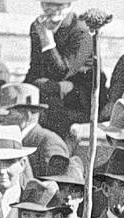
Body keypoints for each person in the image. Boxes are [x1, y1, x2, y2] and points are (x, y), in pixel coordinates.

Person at [27, 0, 103, 136]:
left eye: (57, 5)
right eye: (46, 4)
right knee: (28, 90)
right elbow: (35, 68)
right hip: (50, 87)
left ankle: (55, 141)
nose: (50, 9)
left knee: (47, 89)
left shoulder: (81, 30)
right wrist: (21, 91)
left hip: (81, 91)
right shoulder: (37, 26)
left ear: (68, 5)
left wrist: (48, 40)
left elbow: (63, 72)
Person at [1, 83, 71, 179]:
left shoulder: (50, 143)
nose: (0, 119)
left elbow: (56, 185)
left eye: (7, 113)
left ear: (26, 115)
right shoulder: (13, 140)